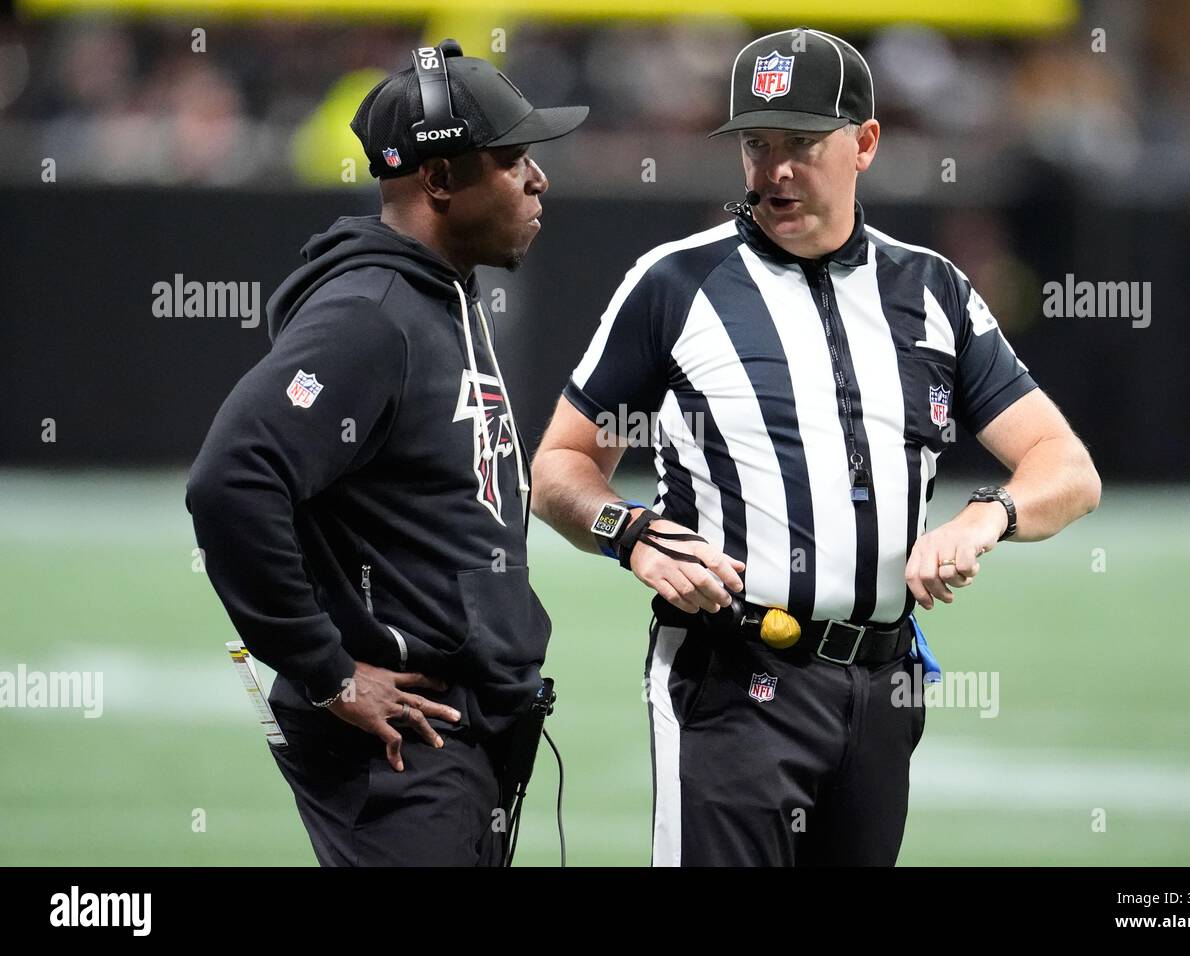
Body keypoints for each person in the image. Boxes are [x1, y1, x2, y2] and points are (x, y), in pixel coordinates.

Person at [530, 27, 1101, 866]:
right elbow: (557, 466)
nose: (775, 170)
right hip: (731, 675)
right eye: (756, 145)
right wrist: (628, 531)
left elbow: (1067, 466)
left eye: (801, 142)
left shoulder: (930, 287)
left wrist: (988, 516)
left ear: (864, 143)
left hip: (881, 684)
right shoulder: (675, 283)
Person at [186, 40, 586, 866]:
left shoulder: (438, 294)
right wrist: (326, 669)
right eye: (511, 160)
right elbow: (232, 480)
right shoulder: (371, 314)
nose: (538, 179)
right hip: (400, 743)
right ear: (439, 180)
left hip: (453, 731)